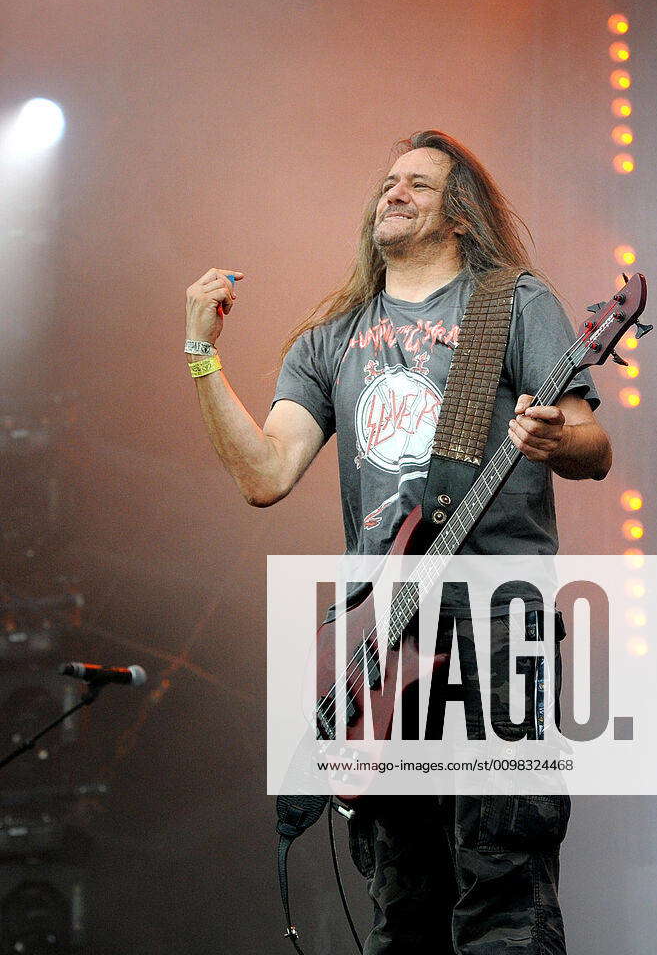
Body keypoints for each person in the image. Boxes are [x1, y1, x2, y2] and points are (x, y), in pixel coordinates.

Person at [184, 130, 612, 954]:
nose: (394, 191)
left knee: (503, 884)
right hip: (380, 635)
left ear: (460, 213)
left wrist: (556, 437)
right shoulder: (330, 336)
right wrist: (201, 353)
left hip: (496, 619)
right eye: (388, 181)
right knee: (403, 899)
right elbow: (264, 474)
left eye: (418, 182)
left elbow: (592, 447)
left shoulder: (510, 303)